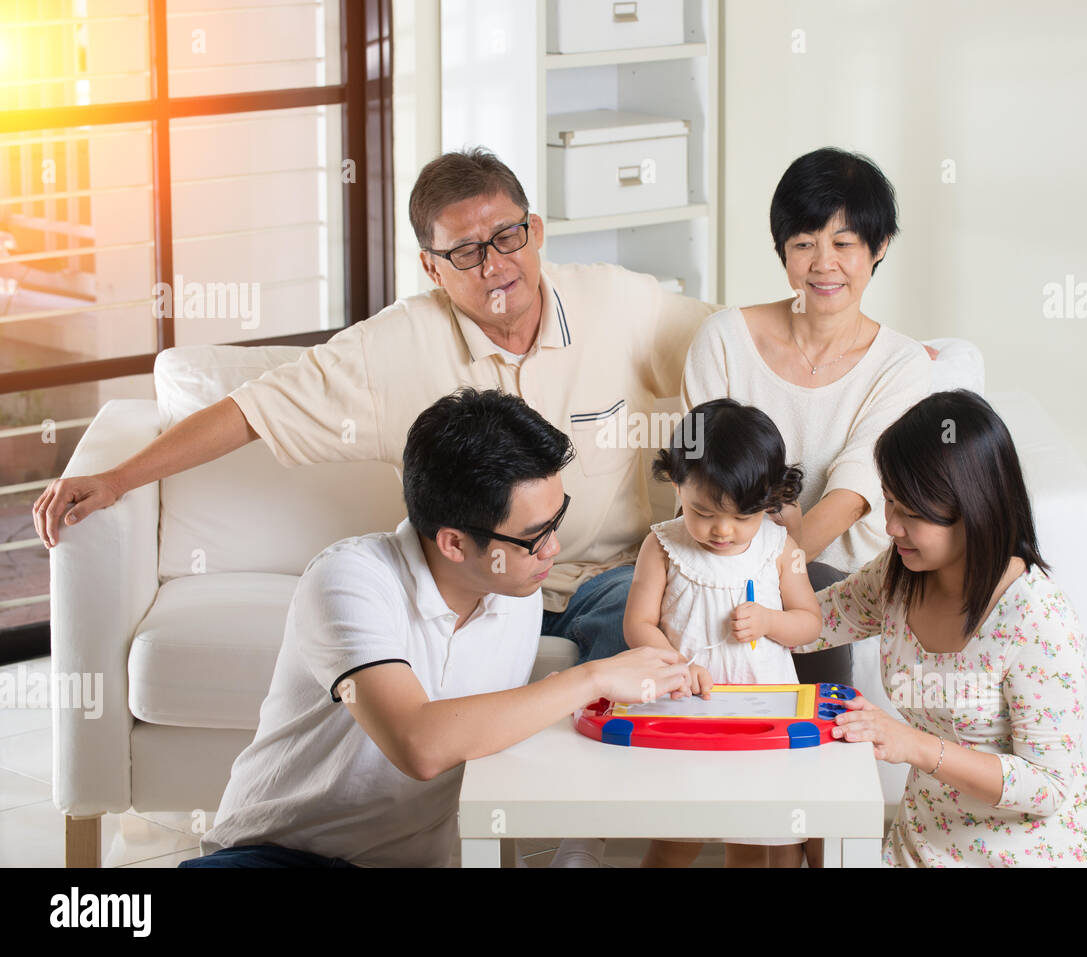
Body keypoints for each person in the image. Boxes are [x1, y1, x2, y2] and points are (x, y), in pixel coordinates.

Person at [34, 146, 713, 867]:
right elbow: (258, 406)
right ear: (430, 266)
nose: (494, 265)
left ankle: (609, 850)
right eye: (466, 251)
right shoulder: (358, 555)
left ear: (536, 229)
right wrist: (119, 477)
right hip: (286, 843)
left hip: (602, 573)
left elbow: (730, 343)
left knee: (655, 627)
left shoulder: (616, 301)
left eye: (508, 237)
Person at [180, 389, 689, 867]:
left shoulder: (515, 595)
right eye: (534, 537)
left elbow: (495, 735)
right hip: (279, 855)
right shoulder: (349, 580)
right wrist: (592, 678)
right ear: (453, 544)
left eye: (557, 521)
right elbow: (418, 744)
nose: (553, 550)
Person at [799, 389, 1087, 867]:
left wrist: (915, 745)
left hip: (1030, 852)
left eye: (912, 513)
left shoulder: (1036, 619)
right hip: (926, 838)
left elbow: (1048, 787)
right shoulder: (901, 574)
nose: (892, 527)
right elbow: (818, 622)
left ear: (974, 508)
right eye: (890, 502)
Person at [682, 147, 934, 692]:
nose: (824, 264)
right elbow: (699, 471)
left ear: (879, 246)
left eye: (844, 244)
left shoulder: (902, 365)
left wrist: (776, 567)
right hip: (717, 551)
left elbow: (852, 494)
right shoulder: (725, 340)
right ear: (782, 251)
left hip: (827, 569)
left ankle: (820, 756)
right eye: (804, 245)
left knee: (810, 591)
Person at [623, 400, 821, 868]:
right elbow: (637, 624)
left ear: (770, 502)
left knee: (752, 835)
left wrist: (771, 622)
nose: (723, 531)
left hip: (763, 716)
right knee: (676, 837)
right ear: (676, 482)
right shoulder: (663, 544)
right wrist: (678, 665)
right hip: (686, 711)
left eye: (742, 517)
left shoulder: (779, 547)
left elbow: (809, 621)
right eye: (703, 511)